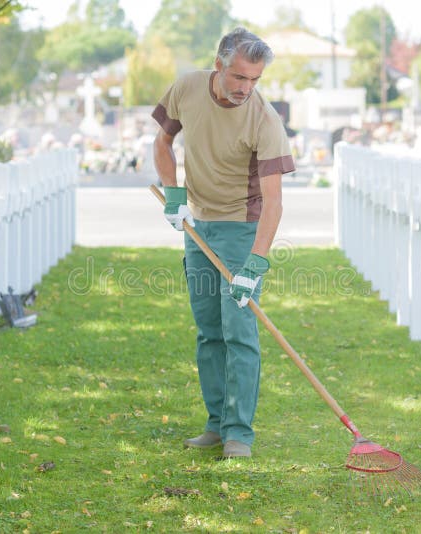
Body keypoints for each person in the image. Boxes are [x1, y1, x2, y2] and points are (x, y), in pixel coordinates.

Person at [151, 27, 296, 458]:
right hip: (198, 226)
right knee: (209, 331)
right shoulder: (187, 87)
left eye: (254, 80)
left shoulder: (264, 120)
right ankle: (215, 423)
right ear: (219, 65)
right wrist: (174, 194)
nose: (246, 88)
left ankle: (239, 434)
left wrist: (255, 265)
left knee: (240, 332)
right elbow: (163, 141)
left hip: (241, 227)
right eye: (239, 78)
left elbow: (274, 203)